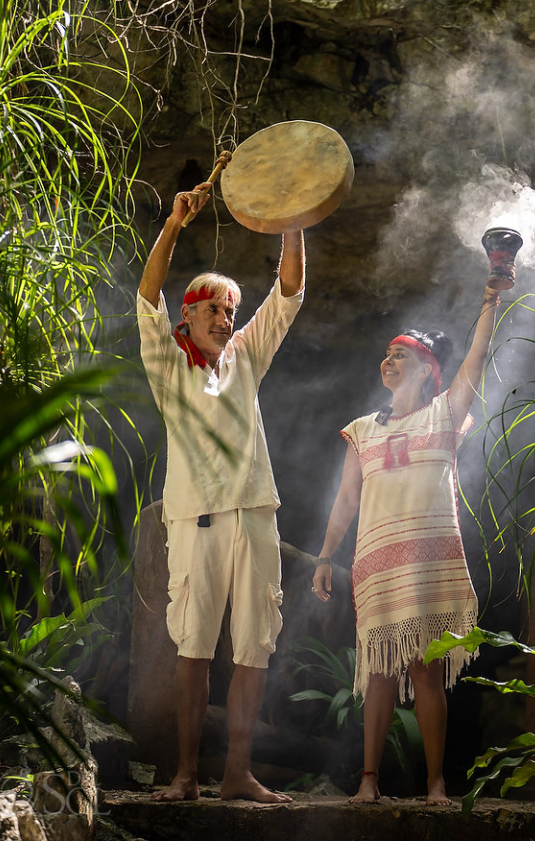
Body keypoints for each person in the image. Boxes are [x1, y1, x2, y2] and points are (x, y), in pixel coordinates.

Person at [137, 177, 305, 803]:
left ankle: (237, 773)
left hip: (255, 512)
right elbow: (147, 293)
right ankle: (186, 776)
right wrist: (175, 223)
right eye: (213, 309)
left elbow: (289, 293)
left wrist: (294, 216)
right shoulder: (167, 361)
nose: (225, 319)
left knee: (256, 645)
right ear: (189, 313)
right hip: (195, 516)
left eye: (230, 312)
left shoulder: (244, 357)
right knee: (195, 647)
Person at [311, 277, 503, 805]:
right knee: (378, 669)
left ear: (426, 369)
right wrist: (327, 556)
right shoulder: (362, 430)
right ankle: (368, 781)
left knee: (426, 670)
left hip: (429, 559)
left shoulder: (445, 413)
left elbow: (477, 357)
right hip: (376, 561)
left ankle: (435, 783)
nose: (387, 362)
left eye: (399, 355)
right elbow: (346, 500)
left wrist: (491, 300)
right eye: (386, 355)